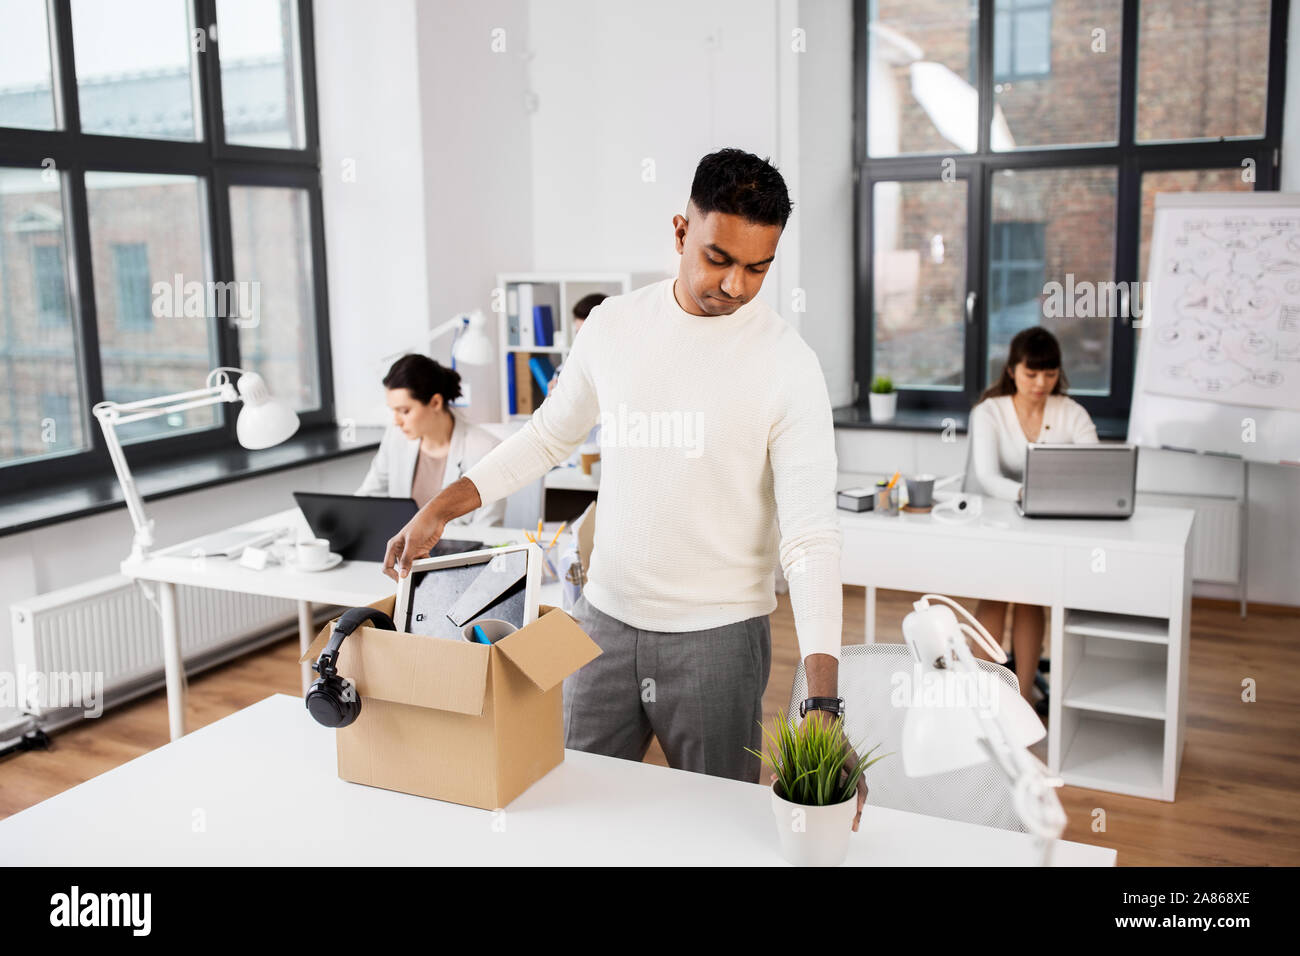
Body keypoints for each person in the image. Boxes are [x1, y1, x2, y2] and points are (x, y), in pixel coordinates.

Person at [382, 148, 863, 829]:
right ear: (679, 232)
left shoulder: (788, 365)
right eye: (718, 258)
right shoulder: (612, 325)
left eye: (758, 268)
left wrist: (823, 703)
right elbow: (549, 437)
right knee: (569, 808)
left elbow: (812, 535)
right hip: (603, 619)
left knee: (717, 830)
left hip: (718, 638)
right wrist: (441, 506)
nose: (735, 286)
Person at [967, 326, 1098, 709]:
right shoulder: (989, 412)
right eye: (1031, 374)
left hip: (1045, 527)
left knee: (1029, 599)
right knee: (994, 596)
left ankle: (1021, 699)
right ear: (1012, 370)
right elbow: (989, 478)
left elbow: (1094, 466)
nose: (1041, 383)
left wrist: (1049, 497)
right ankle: (985, 699)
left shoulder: (1069, 412)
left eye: (1050, 374)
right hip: (996, 521)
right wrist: (1032, 493)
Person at [355, 354, 506, 527]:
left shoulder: (485, 449)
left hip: (457, 553)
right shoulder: (395, 437)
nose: (396, 421)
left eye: (404, 411)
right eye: (393, 411)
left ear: (435, 402)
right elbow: (368, 498)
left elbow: (487, 531)